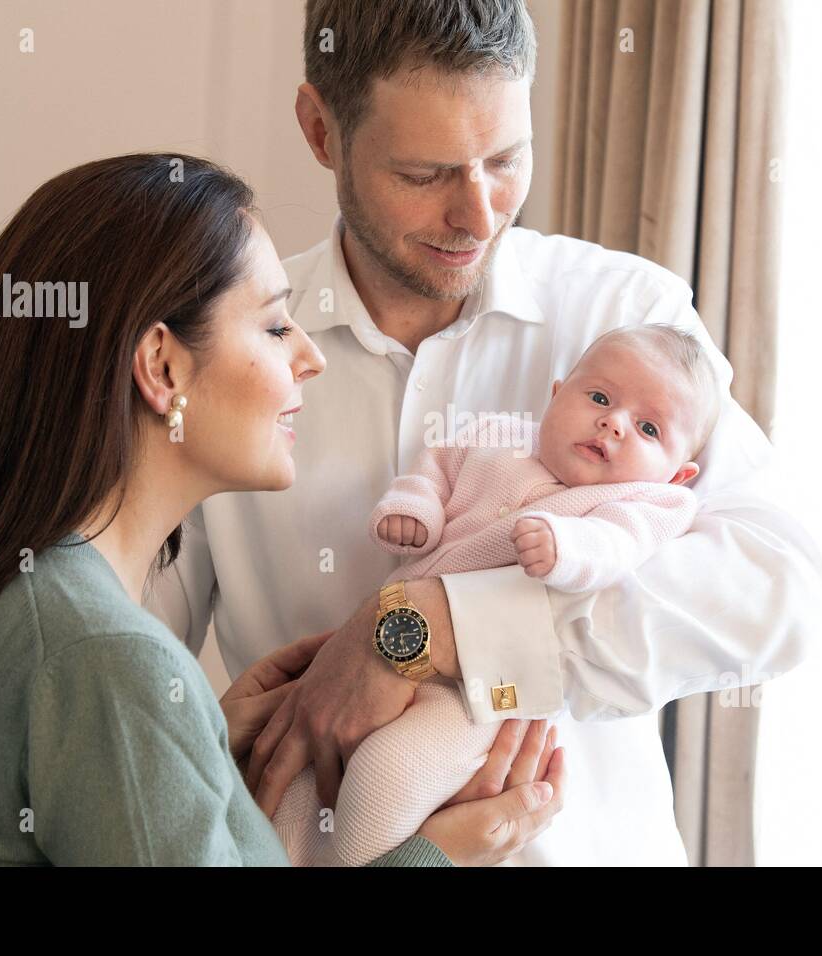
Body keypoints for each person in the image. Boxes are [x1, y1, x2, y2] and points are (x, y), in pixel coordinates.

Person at [148, 0, 822, 865]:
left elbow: (778, 591)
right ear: (321, 130)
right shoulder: (228, 348)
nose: (477, 214)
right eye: (424, 174)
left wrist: (437, 627)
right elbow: (129, 653)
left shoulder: (629, 316)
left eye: (506, 159)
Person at [0, 153, 564, 866]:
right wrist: (438, 857)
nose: (309, 355)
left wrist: (199, 755)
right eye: (276, 326)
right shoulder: (105, 656)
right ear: (162, 366)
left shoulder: (32, 602)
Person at [274, 323, 720, 865]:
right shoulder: (498, 435)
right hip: (375, 653)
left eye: (649, 428)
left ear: (678, 475)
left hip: (479, 696)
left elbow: (620, 544)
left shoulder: (648, 501)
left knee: (385, 771)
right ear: (557, 397)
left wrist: (569, 547)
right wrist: (416, 507)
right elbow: (437, 466)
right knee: (299, 779)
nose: (613, 422)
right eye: (599, 397)